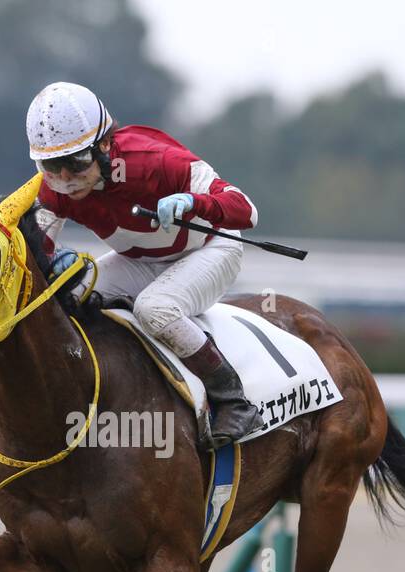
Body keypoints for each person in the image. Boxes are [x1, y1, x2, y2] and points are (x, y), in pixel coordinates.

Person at [26, 81, 265, 447]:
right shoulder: (53, 188)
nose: (65, 180)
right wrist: (51, 263)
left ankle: (234, 401)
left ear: (104, 145)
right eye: (51, 166)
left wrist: (193, 202)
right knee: (65, 297)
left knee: (155, 308)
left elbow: (247, 212)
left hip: (209, 250)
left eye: (75, 163)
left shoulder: (153, 161)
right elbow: (36, 255)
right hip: (141, 261)